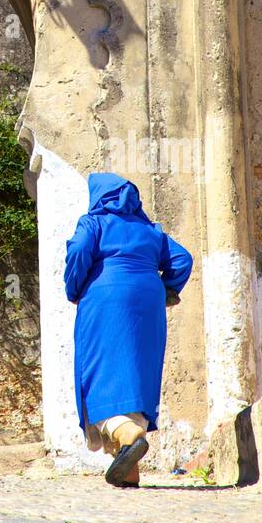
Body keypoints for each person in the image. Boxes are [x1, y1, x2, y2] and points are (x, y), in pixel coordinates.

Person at [64, 172, 193, 487]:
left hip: (105, 300)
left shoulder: (93, 223)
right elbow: (183, 259)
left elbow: (80, 248)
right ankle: (128, 472)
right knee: (136, 373)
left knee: (97, 372)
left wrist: (74, 285)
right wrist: (165, 290)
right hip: (147, 303)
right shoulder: (150, 231)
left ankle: (127, 433)